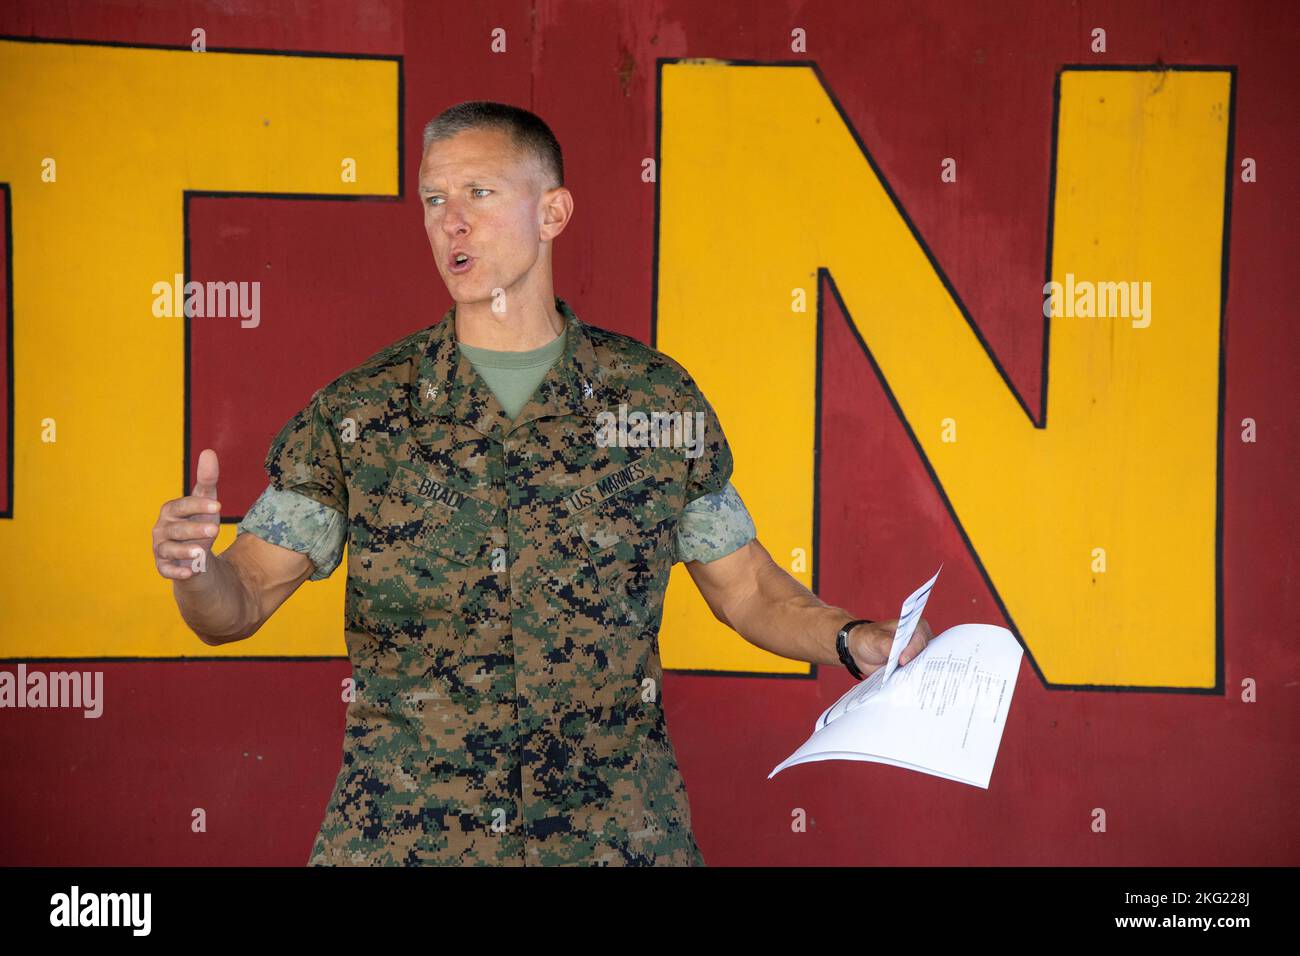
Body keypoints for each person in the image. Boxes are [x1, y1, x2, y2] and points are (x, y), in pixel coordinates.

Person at [150, 101, 933, 866]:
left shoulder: (653, 404)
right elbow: (240, 601)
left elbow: (749, 591)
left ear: (552, 213)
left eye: (479, 194)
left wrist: (850, 636)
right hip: (405, 839)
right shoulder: (365, 411)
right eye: (433, 199)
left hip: (614, 838)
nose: (451, 221)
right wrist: (198, 570)